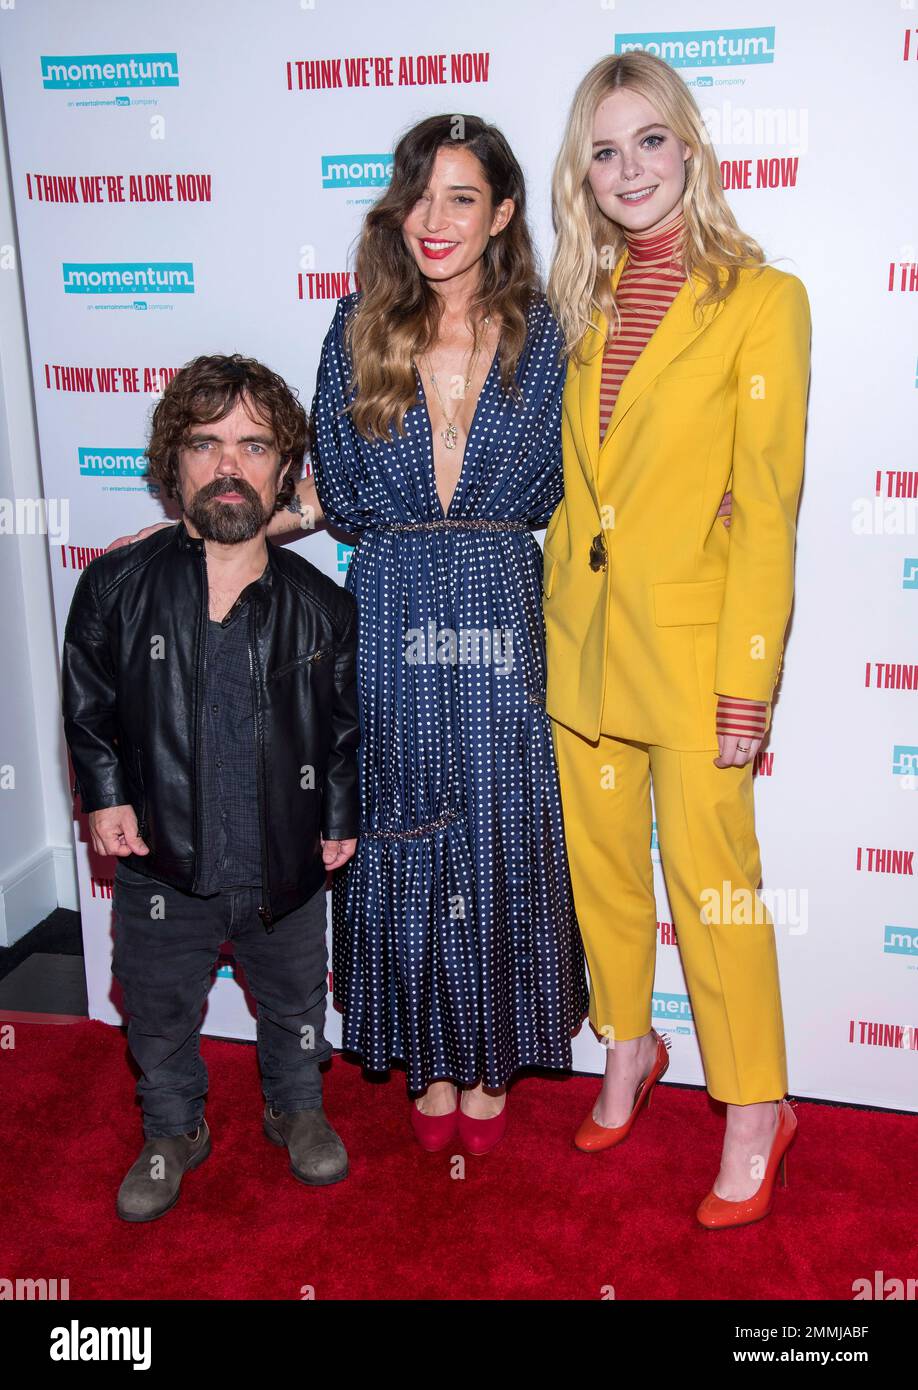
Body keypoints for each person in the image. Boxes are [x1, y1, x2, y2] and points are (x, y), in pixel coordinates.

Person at [544, 52, 811, 1228]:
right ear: (583, 175)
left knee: (718, 890)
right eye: (604, 150)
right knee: (601, 871)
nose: (629, 168)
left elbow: (767, 506)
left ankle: (755, 1104)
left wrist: (749, 678)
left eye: (649, 140)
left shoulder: (764, 299)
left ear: (691, 150)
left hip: (700, 656)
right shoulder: (582, 302)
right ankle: (627, 1045)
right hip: (584, 642)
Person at [62, 355, 360, 1221]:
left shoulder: (321, 605)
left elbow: (341, 731)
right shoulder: (117, 584)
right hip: (164, 864)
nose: (229, 465)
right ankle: (170, 1129)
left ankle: (296, 1107)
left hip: (285, 866)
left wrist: (340, 815)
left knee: (298, 1002)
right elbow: (90, 703)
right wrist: (104, 794)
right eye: (206, 443)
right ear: (174, 464)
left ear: (285, 471)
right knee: (156, 1010)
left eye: (254, 444)